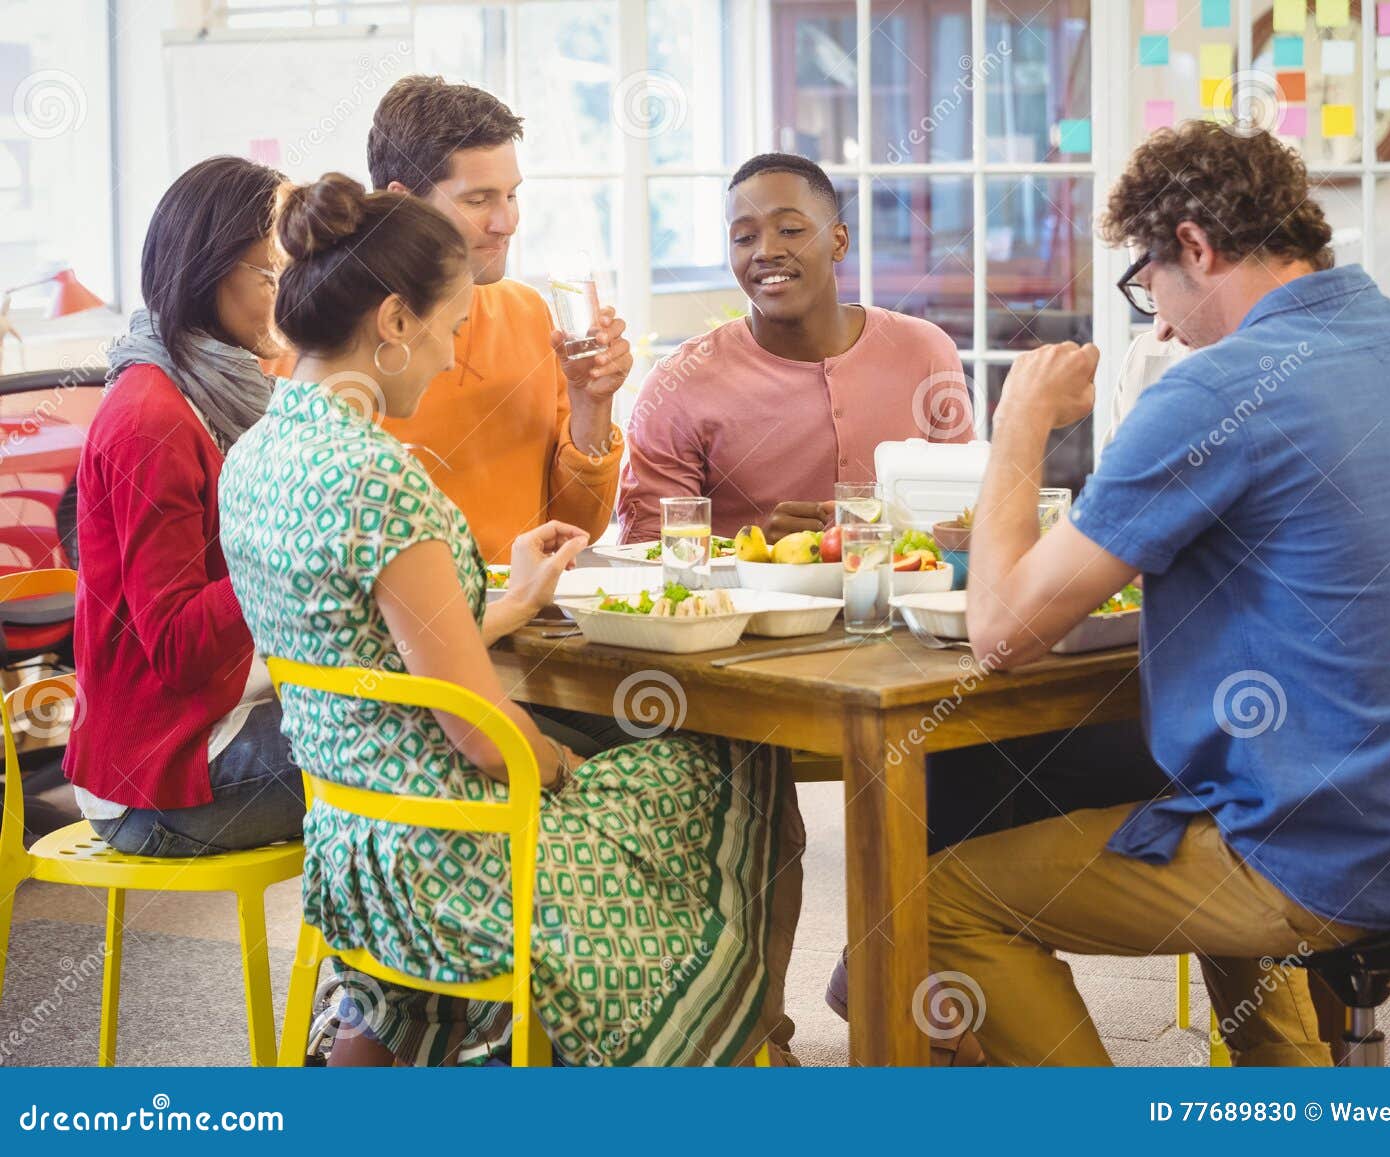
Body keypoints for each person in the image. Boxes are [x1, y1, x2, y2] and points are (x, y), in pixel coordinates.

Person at [929, 121, 1390, 1065]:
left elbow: (1001, 634)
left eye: (1150, 285)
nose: (1159, 324)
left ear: (1196, 247)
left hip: (1337, 859)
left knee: (940, 906)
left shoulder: (1221, 388)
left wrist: (1018, 423)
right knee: (1208, 788)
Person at [221, 173, 800, 1067]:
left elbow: (363, 650)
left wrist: (512, 603)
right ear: (394, 323)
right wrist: (562, 764)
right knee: (733, 763)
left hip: (350, 841)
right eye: (450, 329)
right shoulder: (381, 481)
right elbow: (483, 734)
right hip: (454, 859)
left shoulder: (256, 455)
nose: (453, 355)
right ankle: (711, 1036)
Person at [267, 76, 630, 563]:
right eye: (478, 200)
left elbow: (577, 528)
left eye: (512, 195)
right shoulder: (313, 343)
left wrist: (591, 403)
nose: (507, 222)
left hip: (523, 625)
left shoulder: (530, 316)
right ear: (404, 200)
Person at [64, 156, 303, 857]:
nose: (286, 298)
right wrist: (284, 545)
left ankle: (388, 965)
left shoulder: (211, 394)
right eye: (271, 275)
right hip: (157, 783)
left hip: (208, 725)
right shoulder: (153, 417)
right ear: (208, 271)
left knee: (421, 726)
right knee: (416, 747)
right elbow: (175, 648)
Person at [617, 152, 973, 544]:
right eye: (744, 237)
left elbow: (964, 517)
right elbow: (648, 551)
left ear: (838, 241)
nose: (765, 250)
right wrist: (753, 550)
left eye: (789, 229)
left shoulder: (924, 351)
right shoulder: (678, 383)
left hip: (900, 603)